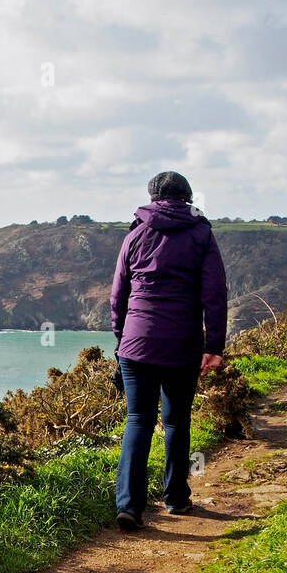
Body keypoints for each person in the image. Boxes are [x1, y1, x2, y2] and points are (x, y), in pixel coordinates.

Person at [109, 171, 227, 531]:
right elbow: (215, 294)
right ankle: (176, 498)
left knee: (138, 420)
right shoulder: (201, 234)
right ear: (188, 197)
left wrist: (121, 340)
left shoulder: (135, 234)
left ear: (151, 197)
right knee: (176, 420)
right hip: (182, 345)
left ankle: (129, 505)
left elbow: (118, 296)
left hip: (136, 345)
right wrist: (214, 346)